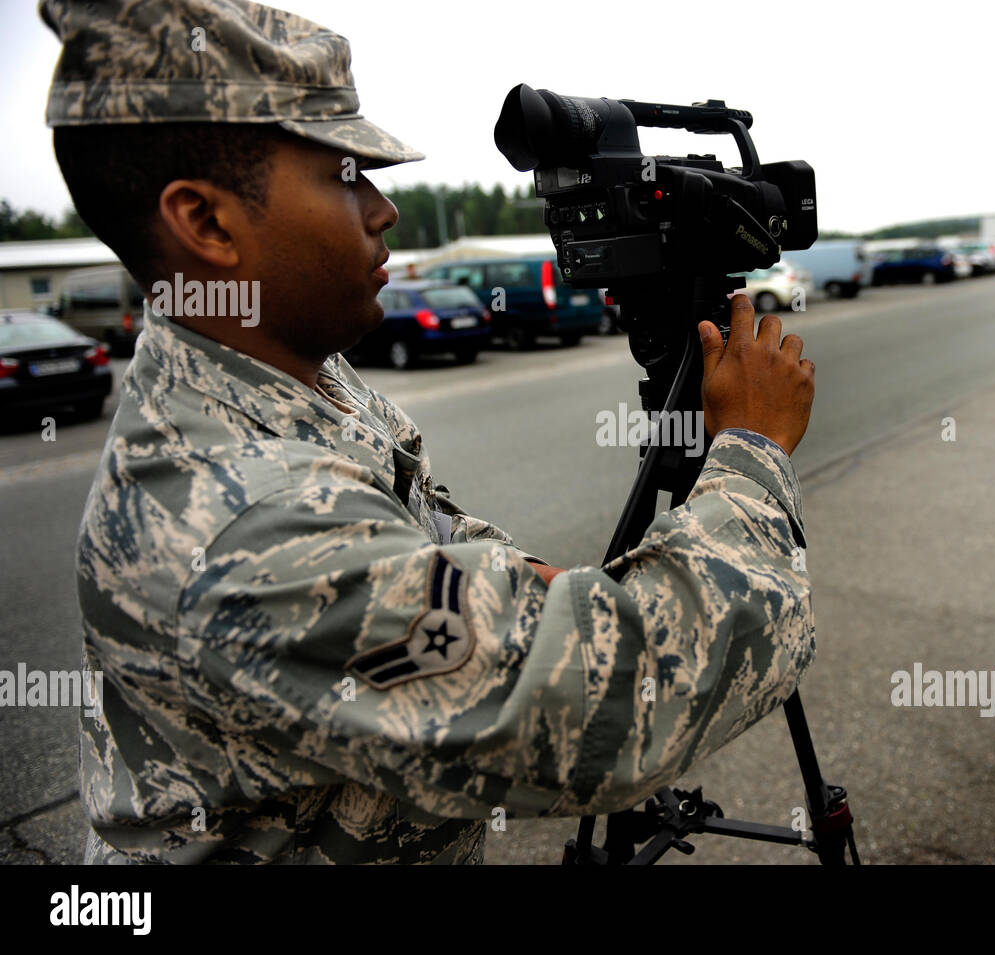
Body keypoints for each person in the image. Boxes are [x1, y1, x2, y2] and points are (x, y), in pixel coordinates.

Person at [44, 0, 817, 863]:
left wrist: (523, 592)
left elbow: (422, 529)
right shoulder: (246, 524)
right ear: (208, 224)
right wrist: (751, 450)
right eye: (347, 175)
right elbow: (620, 712)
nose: (384, 211)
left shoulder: (277, 366)